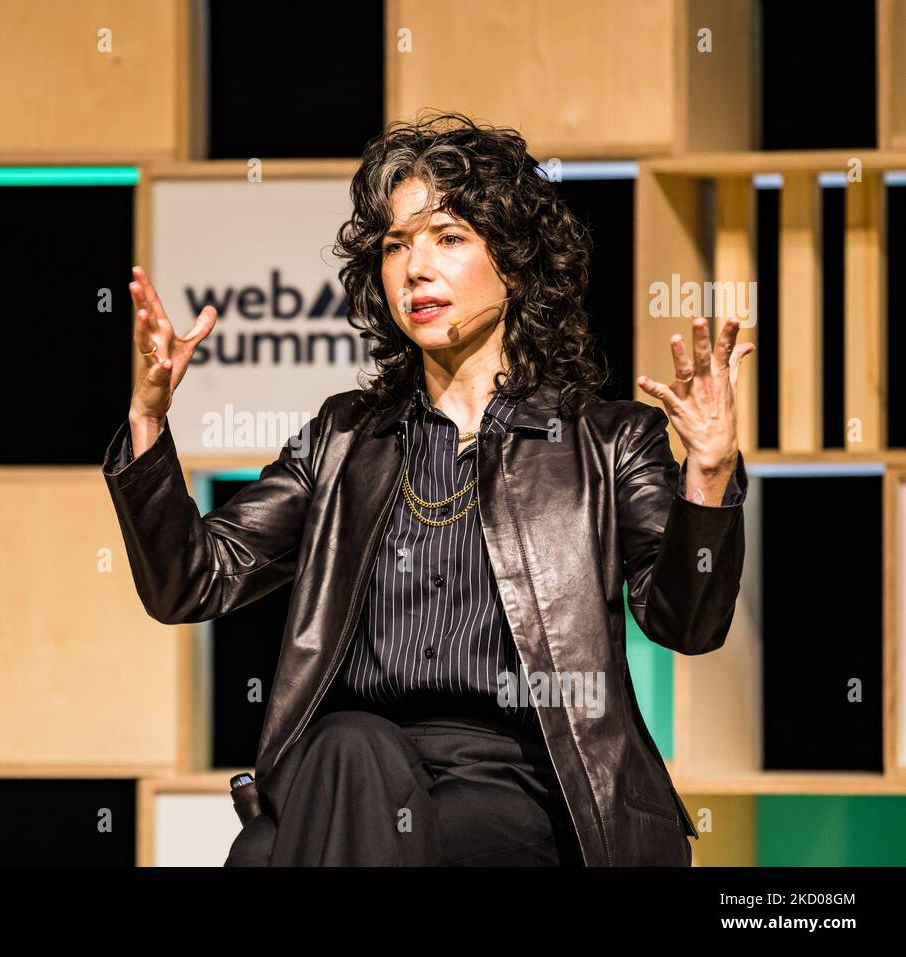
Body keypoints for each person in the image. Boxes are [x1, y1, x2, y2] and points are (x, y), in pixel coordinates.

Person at [103, 112, 751, 866]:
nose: (415, 268)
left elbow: (688, 624)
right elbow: (190, 580)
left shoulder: (604, 441)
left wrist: (706, 473)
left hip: (523, 784)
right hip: (351, 771)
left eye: (447, 237)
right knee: (347, 747)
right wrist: (149, 421)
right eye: (395, 245)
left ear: (513, 262)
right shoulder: (345, 437)